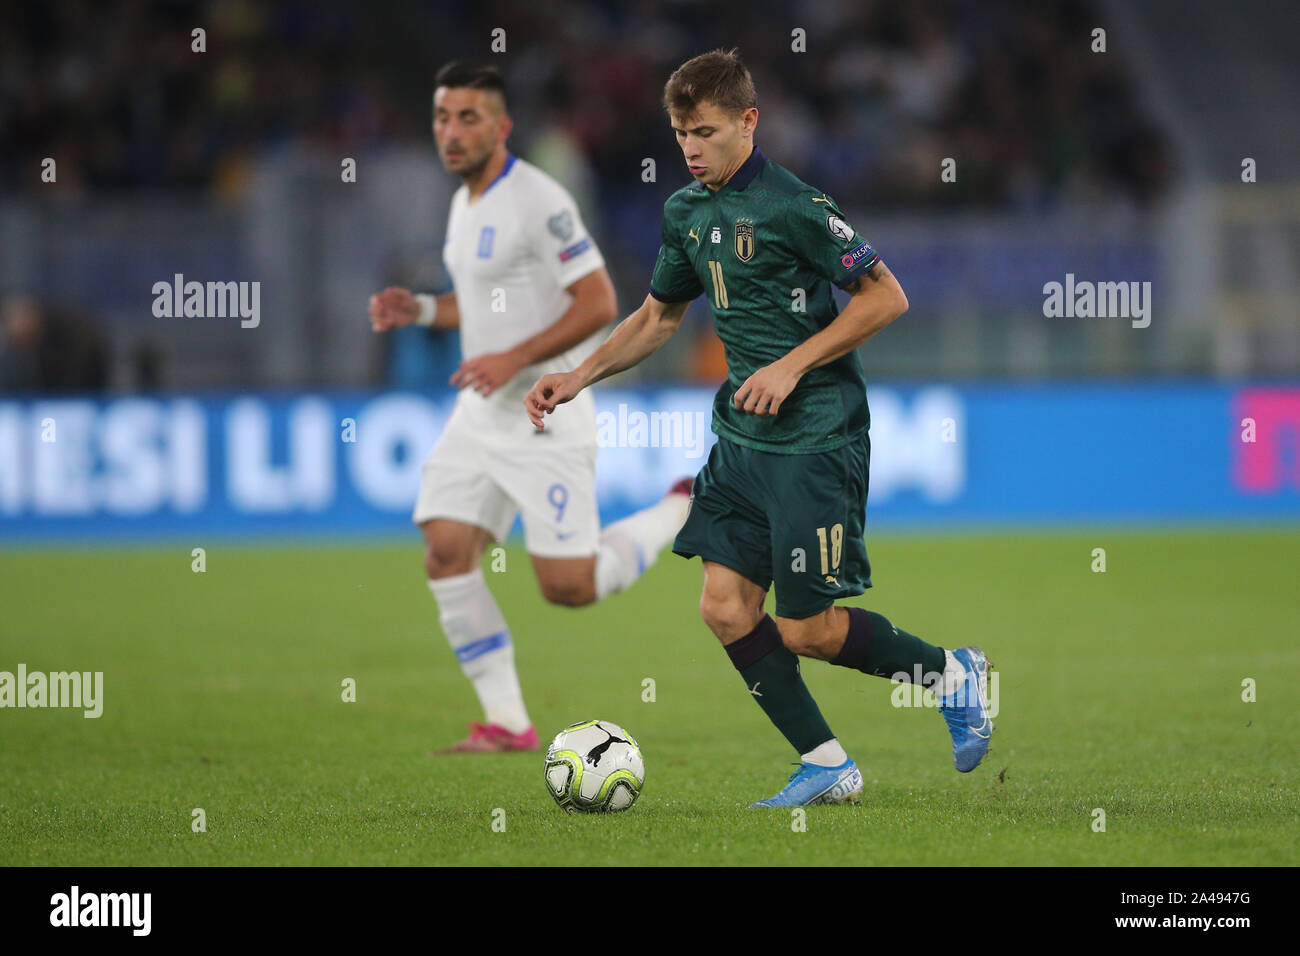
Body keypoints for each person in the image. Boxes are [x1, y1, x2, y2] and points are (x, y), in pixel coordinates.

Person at [525, 49, 994, 806]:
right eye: (680, 134)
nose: (691, 149)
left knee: (807, 628)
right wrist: (578, 376)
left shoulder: (795, 206)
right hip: (741, 442)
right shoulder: (686, 211)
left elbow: (886, 297)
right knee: (723, 606)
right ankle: (827, 763)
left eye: (705, 132)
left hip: (815, 439)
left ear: (748, 122)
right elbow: (659, 316)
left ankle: (950, 674)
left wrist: (791, 366)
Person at [368, 62, 690, 754]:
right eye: (442, 118)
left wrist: (515, 360)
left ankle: (680, 509)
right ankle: (509, 723)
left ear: (502, 126)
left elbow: (600, 302)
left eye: (468, 118)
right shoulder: (465, 203)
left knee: (567, 588)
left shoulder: (538, 200)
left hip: (545, 413)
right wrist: (421, 307)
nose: (451, 133)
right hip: (482, 411)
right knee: (446, 551)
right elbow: (482, 303)